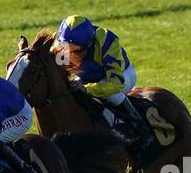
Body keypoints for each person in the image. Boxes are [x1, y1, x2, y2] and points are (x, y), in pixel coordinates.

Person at [55, 15, 158, 157]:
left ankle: (141, 129)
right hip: (88, 77)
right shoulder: (62, 45)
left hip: (121, 76)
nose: (68, 54)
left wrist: (87, 89)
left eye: (74, 50)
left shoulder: (108, 41)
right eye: (65, 47)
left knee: (111, 94)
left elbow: (116, 84)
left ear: (88, 46)